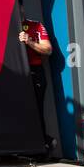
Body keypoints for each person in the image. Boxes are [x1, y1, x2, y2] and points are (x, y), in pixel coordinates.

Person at [20, 12, 54, 150]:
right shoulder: (4, 24)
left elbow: (48, 49)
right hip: (14, 73)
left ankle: (41, 146)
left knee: (36, 110)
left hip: (35, 71)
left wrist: (29, 41)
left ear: (22, 7)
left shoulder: (36, 25)